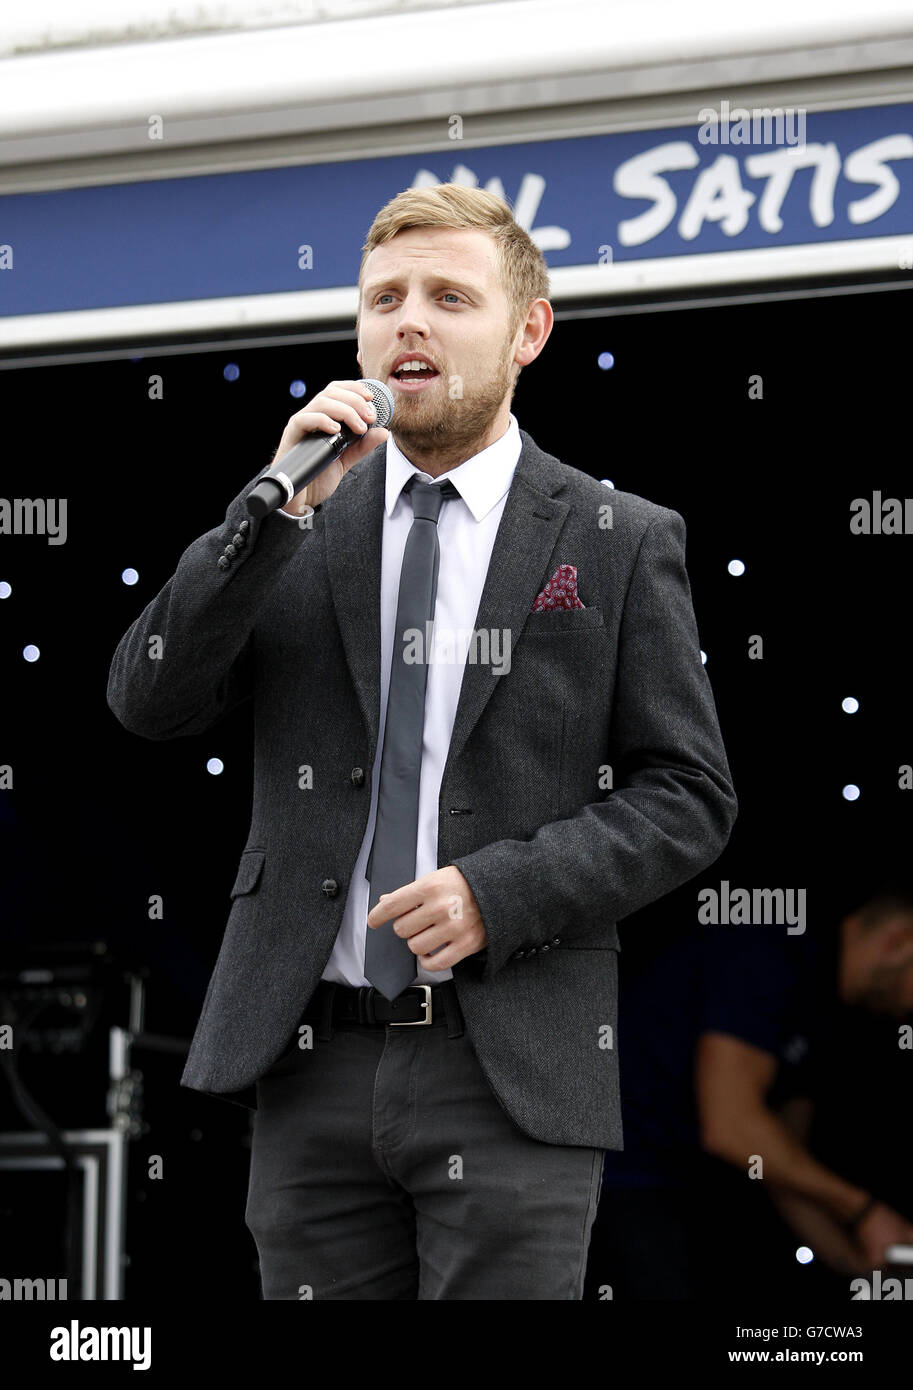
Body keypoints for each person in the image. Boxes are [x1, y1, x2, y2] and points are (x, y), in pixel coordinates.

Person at [106, 182, 737, 1300]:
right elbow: (147, 702)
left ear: (526, 331)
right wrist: (266, 520)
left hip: (510, 1060)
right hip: (310, 1055)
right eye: (384, 298)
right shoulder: (296, 520)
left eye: (450, 296)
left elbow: (688, 794)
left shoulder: (617, 537)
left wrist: (504, 891)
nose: (410, 321)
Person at [585, 890, 913, 1299]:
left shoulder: (827, 1017)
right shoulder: (771, 945)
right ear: (899, 941)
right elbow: (731, 1128)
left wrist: (863, 1274)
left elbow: (782, 1167)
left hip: (678, 1188)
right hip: (609, 1170)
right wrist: (864, 1210)